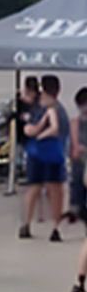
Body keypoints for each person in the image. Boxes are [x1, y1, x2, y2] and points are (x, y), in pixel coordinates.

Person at [21, 75, 67, 242]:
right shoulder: (59, 110)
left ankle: (25, 224)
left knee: (33, 188)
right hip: (54, 154)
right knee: (55, 191)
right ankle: (56, 227)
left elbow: (29, 131)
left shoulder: (37, 109)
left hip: (35, 153)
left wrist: (38, 130)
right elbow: (58, 132)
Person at [69, 87, 87, 223]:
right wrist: (76, 147)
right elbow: (74, 144)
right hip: (79, 159)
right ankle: (76, 208)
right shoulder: (75, 122)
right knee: (77, 180)